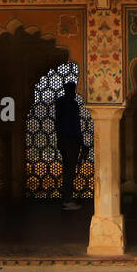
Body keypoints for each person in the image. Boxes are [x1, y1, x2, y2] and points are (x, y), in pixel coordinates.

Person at [54, 81, 84, 211]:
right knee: (70, 170)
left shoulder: (60, 103)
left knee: (67, 169)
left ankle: (67, 198)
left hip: (63, 140)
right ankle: (67, 200)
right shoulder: (71, 104)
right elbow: (74, 125)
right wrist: (80, 142)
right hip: (71, 141)